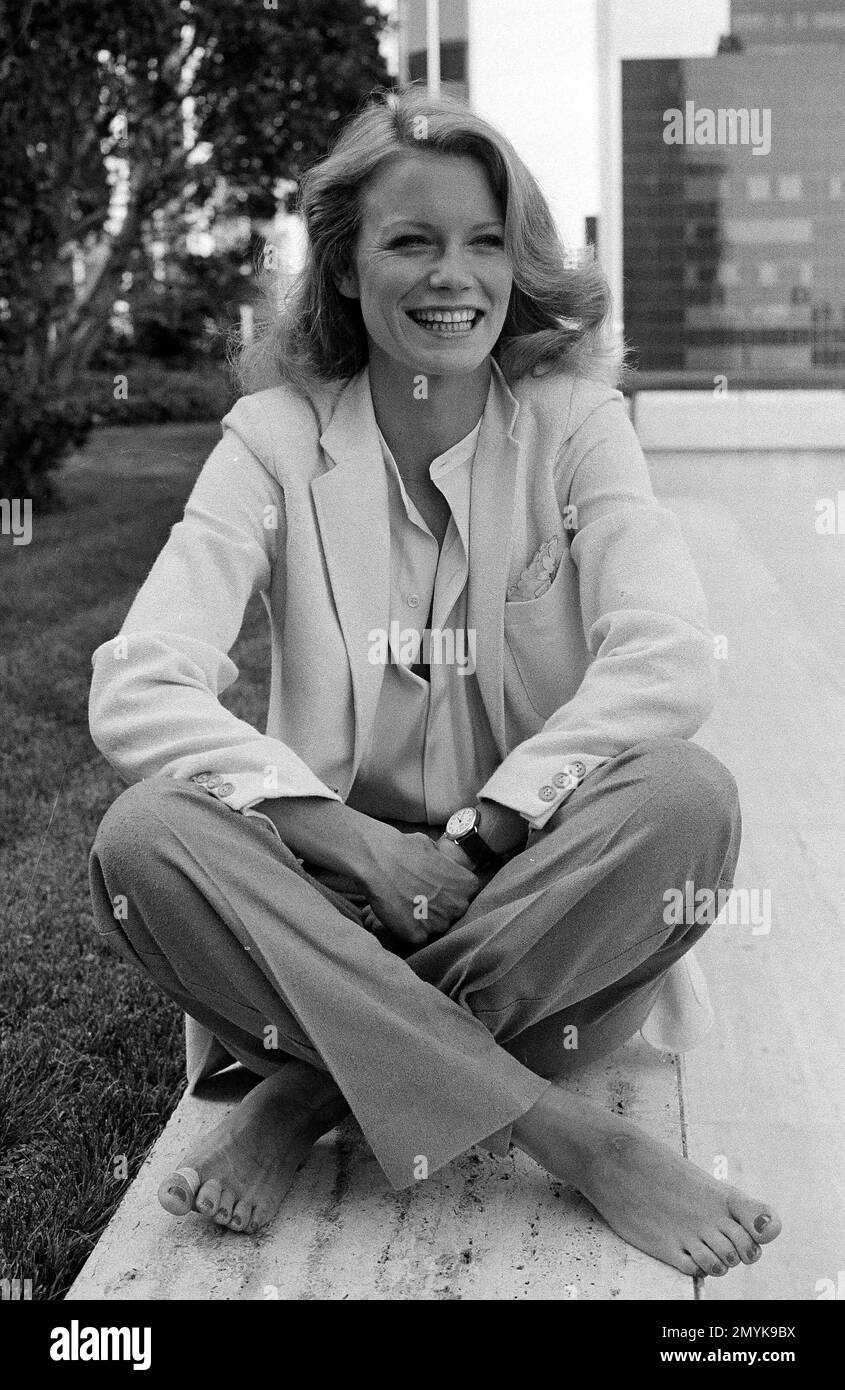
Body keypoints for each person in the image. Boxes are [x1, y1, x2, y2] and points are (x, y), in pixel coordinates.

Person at [87, 88, 781, 1279]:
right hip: (325, 894)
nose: (449, 274)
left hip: (526, 893)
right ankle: (563, 1132)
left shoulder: (575, 423)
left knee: (687, 799)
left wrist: (487, 829)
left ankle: (306, 1085)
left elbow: (665, 650)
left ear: (517, 268)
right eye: (409, 240)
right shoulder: (271, 434)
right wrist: (351, 843)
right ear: (348, 271)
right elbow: (139, 682)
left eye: (483, 242)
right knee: (145, 839)